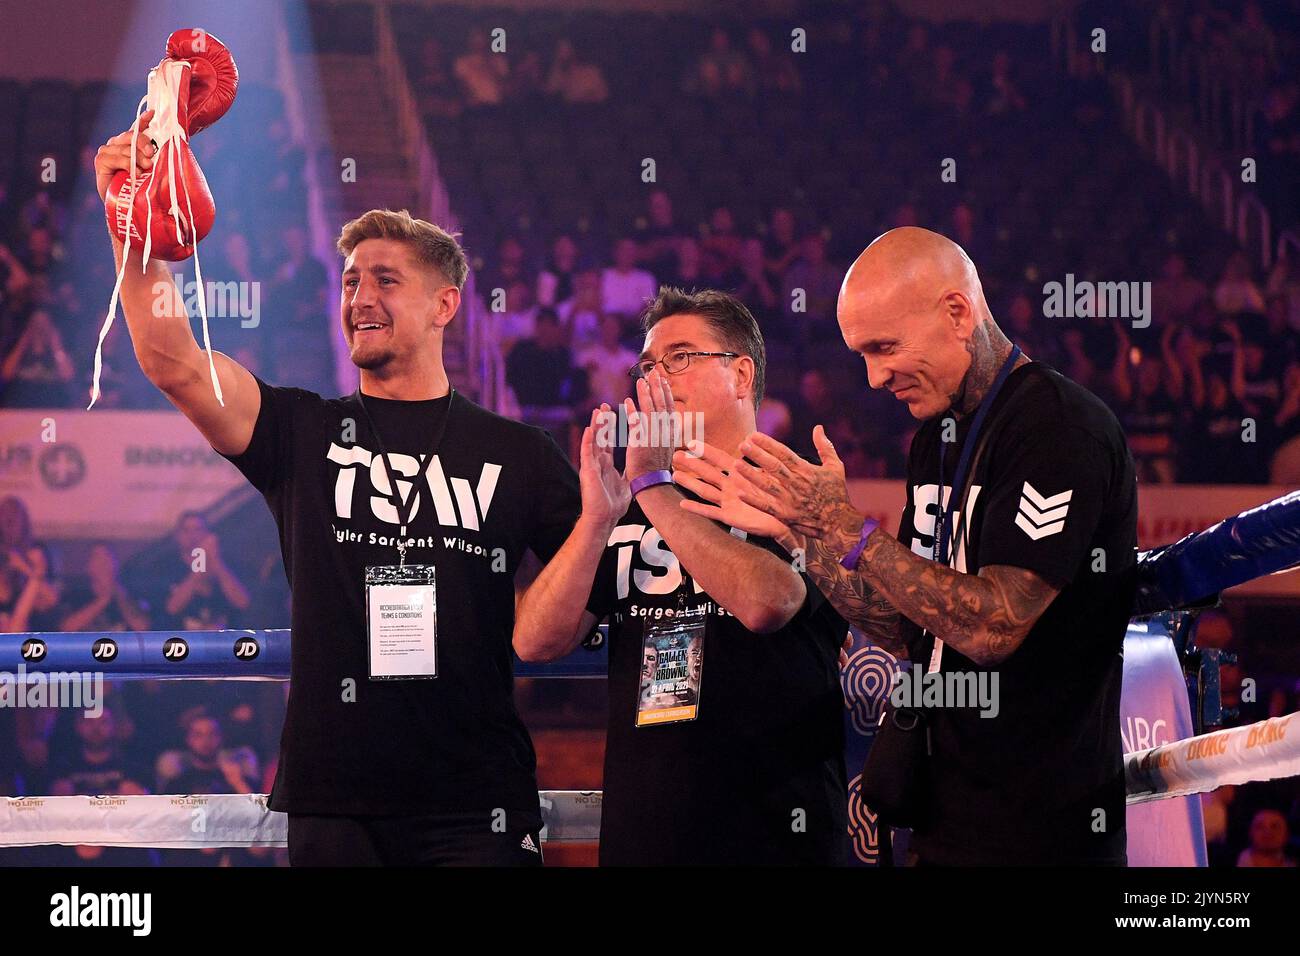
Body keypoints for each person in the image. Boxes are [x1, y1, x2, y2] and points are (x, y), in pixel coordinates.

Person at [94, 116, 581, 866]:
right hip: (335, 798)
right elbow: (175, 362)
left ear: (445, 306)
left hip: (477, 795)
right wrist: (131, 225)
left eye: (387, 280)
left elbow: (588, 583)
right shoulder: (301, 430)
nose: (361, 296)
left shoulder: (519, 453)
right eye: (352, 280)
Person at [676, 228, 1138, 865]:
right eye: (861, 354)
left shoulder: (1057, 427)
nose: (872, 378)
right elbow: (909, 627)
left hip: (1040, 830)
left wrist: (845, 530)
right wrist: (805, 536)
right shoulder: (936, 437)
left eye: (884, 347)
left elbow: (993, 627)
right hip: (942, 815)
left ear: (957, 314)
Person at [514, 288, 850, 866]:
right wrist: (597, 520)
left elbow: (767, 602)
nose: (657, 377)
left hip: (773, 837)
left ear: (741, 376)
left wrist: (653, 487)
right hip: (646, 837)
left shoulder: (799, 490)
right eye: (648, 364)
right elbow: (534, 640)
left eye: (681, 358)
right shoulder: (627, 506)